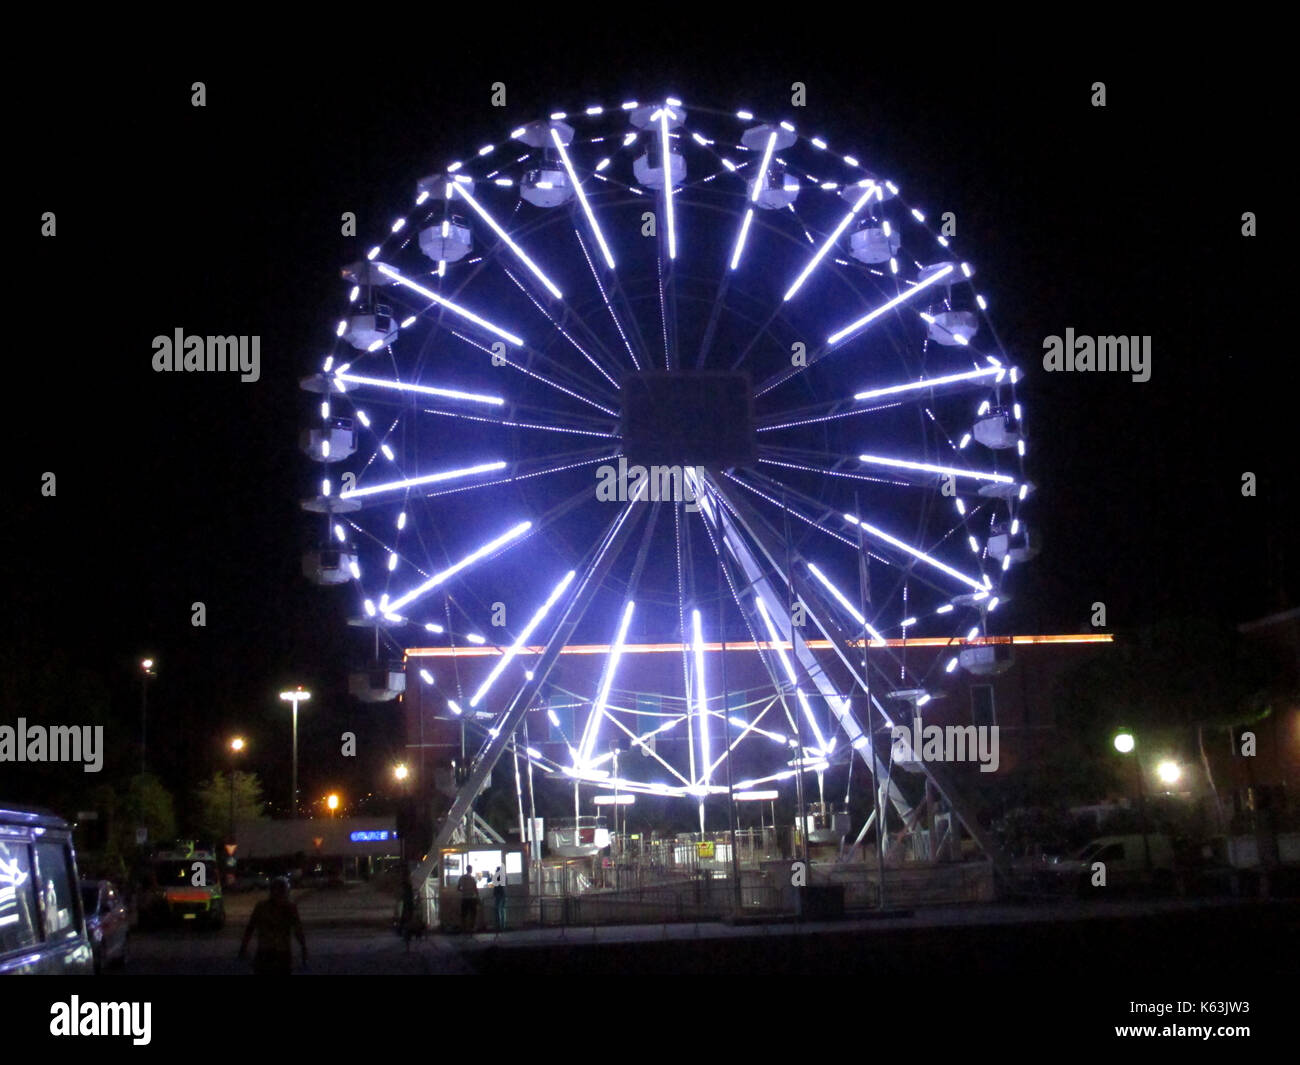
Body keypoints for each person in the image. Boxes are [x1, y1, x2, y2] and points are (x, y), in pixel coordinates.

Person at [238, 877, 307, 974]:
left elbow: (250, 928)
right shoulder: (289, 908)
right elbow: (297, 930)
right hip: (280, 952)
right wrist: (303, 948)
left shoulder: (262, 907)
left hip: (266, 951)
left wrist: (243, 947)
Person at [456, 864, 479, 932]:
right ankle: (472, 928)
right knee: (473, 914)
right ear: (471, 870)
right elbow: (475, 889)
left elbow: (458, 888)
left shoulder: (462, 877)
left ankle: (464, 928)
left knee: (464, 914)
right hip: (472, 898)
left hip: (464, 898)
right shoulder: (473, 878)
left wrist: (464, 891)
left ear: (466, 869)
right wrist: (478, 897)